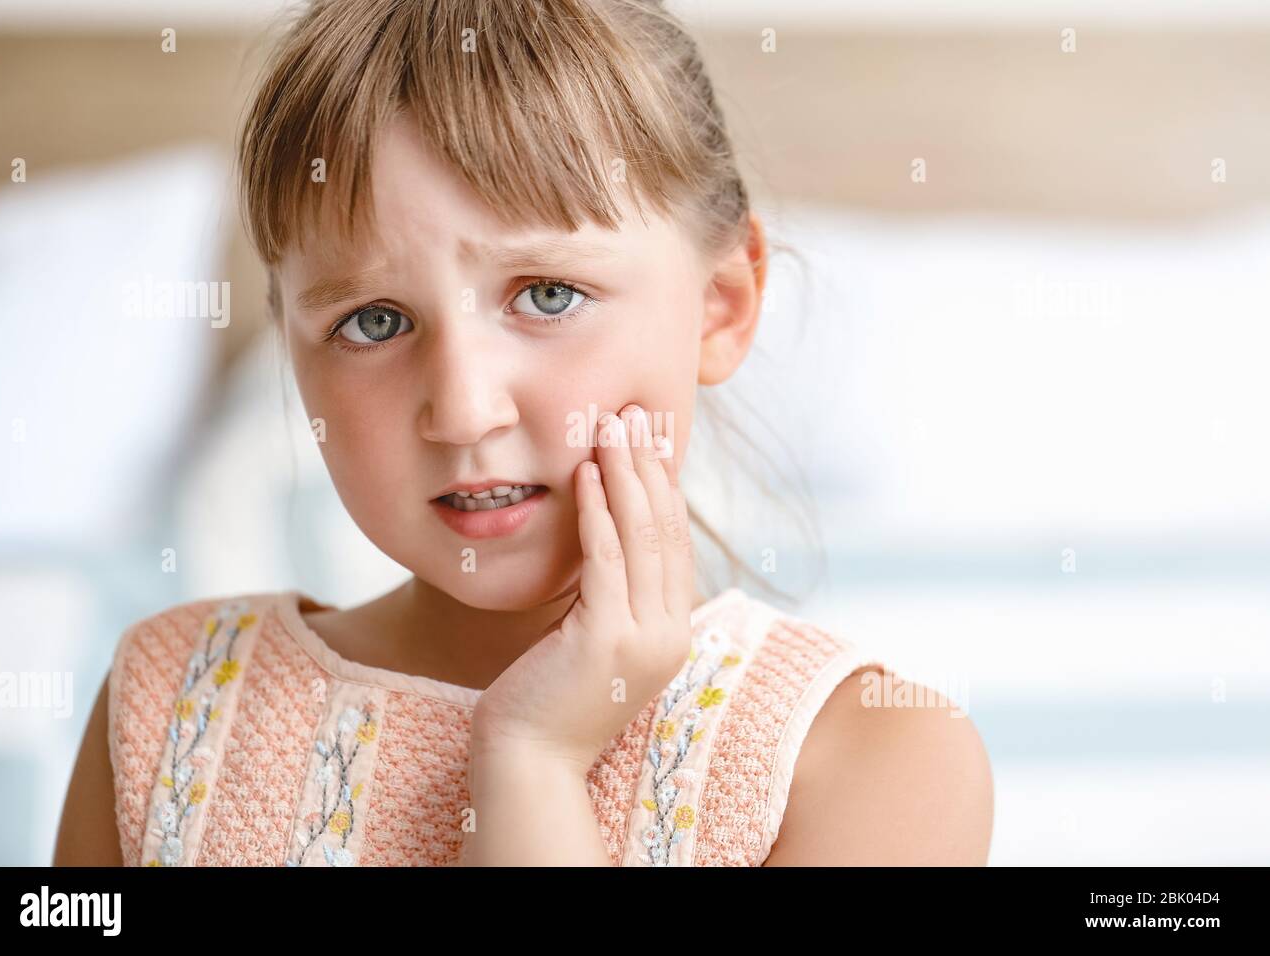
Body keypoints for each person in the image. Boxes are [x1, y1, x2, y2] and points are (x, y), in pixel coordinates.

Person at [54, 0, 992, 866]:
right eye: (374, 322)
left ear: (719, 305)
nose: (463, 410)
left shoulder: (869, 760)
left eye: (548, 295)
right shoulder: (167, 705)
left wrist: (534, 766)